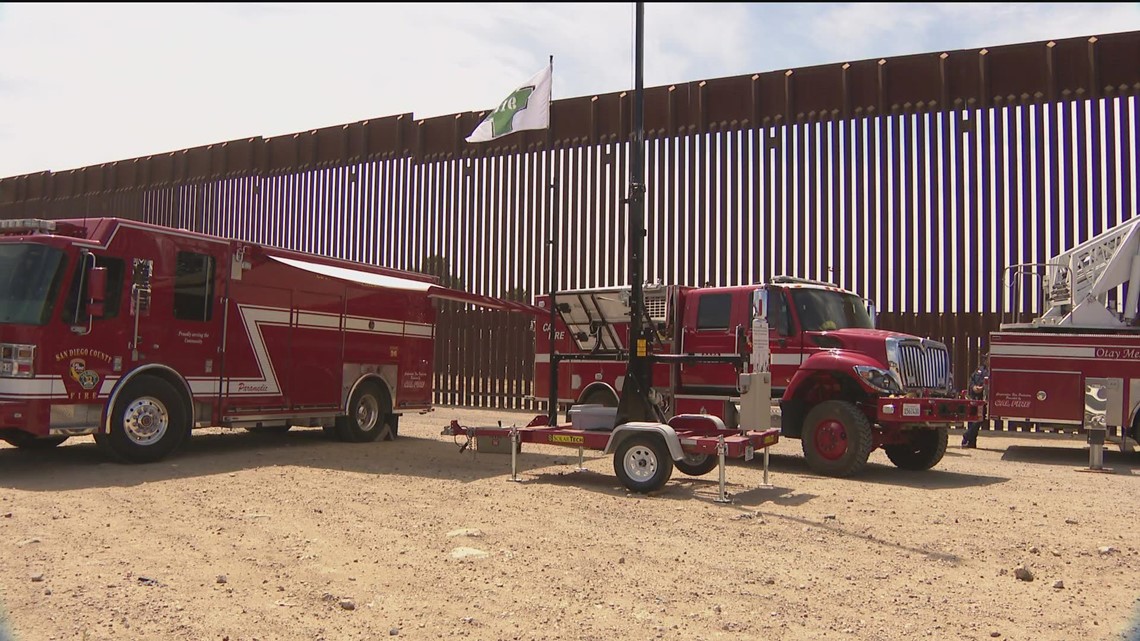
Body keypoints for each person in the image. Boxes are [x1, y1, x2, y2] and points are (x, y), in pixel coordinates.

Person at [962, 353, 989, 448]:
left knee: (979, 419)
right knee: (972, 419)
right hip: (974, 397)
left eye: (988, 359)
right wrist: (973, 387)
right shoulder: (979, 370)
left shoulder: (991, 371)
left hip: (984, 399)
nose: (986, 361)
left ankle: (966, 436)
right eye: (985, 359)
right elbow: (971, 380)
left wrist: (982, 388)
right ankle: (971, 442)